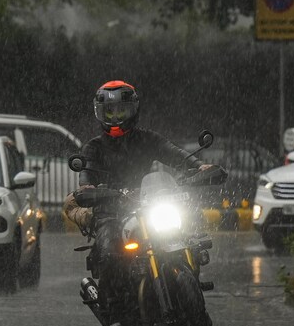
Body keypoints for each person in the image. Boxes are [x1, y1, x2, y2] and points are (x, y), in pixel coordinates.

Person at [63, 80, 218, 313]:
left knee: (188, 235)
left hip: (147, 204)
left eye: (121, 111)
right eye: (110, 112)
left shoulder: (147, 139)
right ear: (100, 113)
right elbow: (86, 178)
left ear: (133, 110)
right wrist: (89, 190)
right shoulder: (93, 148)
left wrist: (199, 166)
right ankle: (113, 311)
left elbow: (174, 154)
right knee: (110, 248)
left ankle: (188, 286)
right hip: (111, 210)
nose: (116, 118)